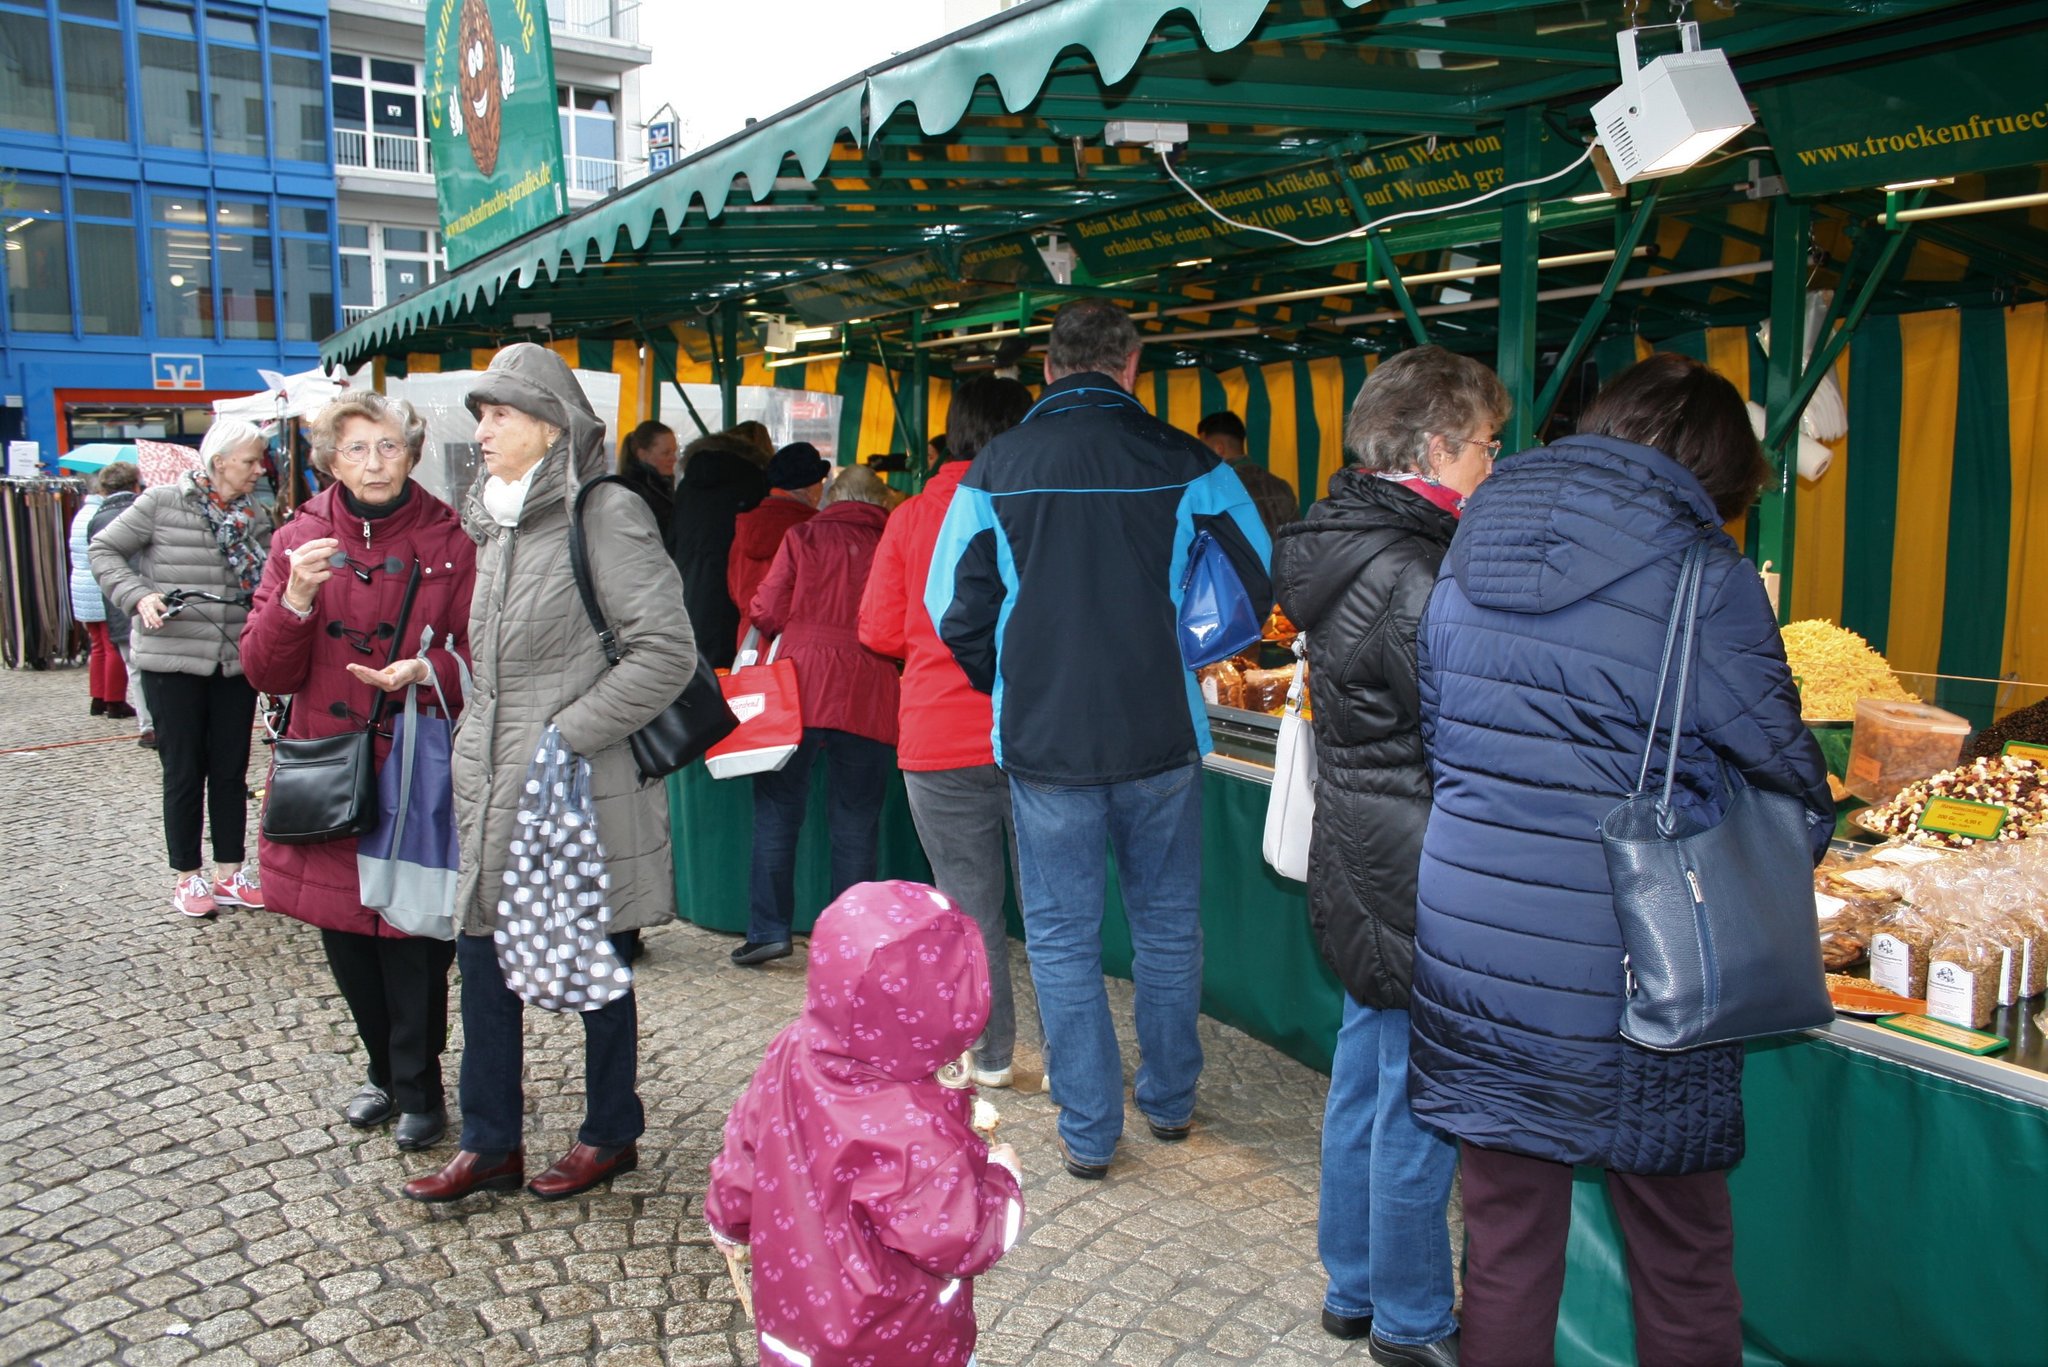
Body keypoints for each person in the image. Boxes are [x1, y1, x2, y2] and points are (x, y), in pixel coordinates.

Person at [1410, 353, 1833, 1366]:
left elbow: (1442, 740)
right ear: (1713, 472)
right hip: (1639, 962)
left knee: (1506, 1245)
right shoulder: (1702, 575)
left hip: (1476, 950)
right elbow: (1785, 785)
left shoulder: (1468, 547)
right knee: (1680, 1249)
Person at [926, 299, 1271, 1180]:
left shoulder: (994, 467)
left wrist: (1008, 677)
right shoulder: (1191, 460)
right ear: (1131, 365)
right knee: (1165, 925)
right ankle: (1169, 1099)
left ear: (1047, 368)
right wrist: (1184, 647)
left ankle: (1088, 1130)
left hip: (1044, 742)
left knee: (1061, 938)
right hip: (1162, 731)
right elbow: (1253, 577)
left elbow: (951, 609)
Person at [403, 343, 696, 1204]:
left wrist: (564, 735)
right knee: (484, 953)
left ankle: (611, 1131)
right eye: (480, 414)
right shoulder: (496, 521)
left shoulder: (604, 513)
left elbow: (666, 652)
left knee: (597, 963)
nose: (481, 430)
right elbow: (495, 662)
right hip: (494, 780)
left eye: (498, 414)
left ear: (550, 425)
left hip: (577, 786)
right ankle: (490, 1141)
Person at [1273, 346, 1509, 1367]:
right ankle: (1412, 1318)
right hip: (1425, 856)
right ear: (1437, 445)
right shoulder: (1418, 564)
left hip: (1364, 843)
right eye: (1488, 445)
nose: (1494, 465)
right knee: (1417, 1096)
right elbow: (1469, 725)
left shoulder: (1350, 541)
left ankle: (1353, 1283)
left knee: (1367, 1074)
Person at [239, 393, 476, 1153]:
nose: (374, 463)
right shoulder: (295, 539)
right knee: (345, 934)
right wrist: (299, 599)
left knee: (412, 937)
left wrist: (428, 668)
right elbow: (261, 667)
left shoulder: (452, 540)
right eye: (356, 449)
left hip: (414, 769)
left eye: (388, 447)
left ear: (411, 452)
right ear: (328, 460)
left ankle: (420, 1086)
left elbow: (487, 653)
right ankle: (382, 1067)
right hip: (328, 767)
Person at [706, 880, 1024, 1367]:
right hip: (901, 1342)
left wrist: (729, 1220)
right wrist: (1004, 1182)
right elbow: (957, 1239)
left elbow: (745, 1142)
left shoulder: (794, 1048)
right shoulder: (917, 1125)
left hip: (796, 1324)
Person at [858, 377, 1036, 1088]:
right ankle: (1068, 1060)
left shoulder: (910, 517)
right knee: (1051, 906)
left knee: (967, 906)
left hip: (937, 732)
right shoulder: (1032, 509)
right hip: (1032, 733)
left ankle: (989, 1056)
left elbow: (876, 628)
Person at [91, 420, 274, 919]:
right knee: (184, 771)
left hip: (234, 661)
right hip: (172, 659)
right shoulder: (159, 503)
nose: (260, 469)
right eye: (251, 461)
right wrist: (139, 596)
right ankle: (187, 877)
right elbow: (104, 550)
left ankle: (230, 873)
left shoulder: (254, 512)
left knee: (232, 770)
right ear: (219, 463)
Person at [731, 465, 899, 967]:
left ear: (832, 496)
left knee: (779, 812)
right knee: (855, 822)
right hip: (870, 690)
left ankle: (768, 931)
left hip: (797, 686)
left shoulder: (803, 534)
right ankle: (849, 944)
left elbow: (766, 610)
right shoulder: (891, 543)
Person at [670, 424, 772, 670]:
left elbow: (672, 540)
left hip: (685, 592)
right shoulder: (754, 482)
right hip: (730, 599)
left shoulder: (689, 484)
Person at [729, 442, 828, 654]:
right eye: (821, 482)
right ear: (810, 488)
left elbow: (733, 589)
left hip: (749, 642)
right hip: (795, 644)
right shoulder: (812, 530)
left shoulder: (747, 525)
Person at [84, 463, 154, 746]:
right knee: (156, 668)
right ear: (135, 484)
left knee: (134, 668)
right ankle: (160, 725)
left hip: (119, 601)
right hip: (150, 598)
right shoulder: (147, 511)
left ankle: (148, 726)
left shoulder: (96, 518)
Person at [68, 470, 133, 720]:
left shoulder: (83, 513)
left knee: (98, 644)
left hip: (82, 584)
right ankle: (114, 699)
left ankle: (99, 697)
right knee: (112, 644)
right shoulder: (103, 514)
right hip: (98, 585)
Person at [1200, 409, 1298, 540]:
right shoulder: (1281, 487)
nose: (1200, 457)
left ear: (1219, 448)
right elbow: (1297, 543)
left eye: (1203, 449)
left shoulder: (1212, 490)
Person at [616, 419, 678, 533]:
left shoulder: (662, 485)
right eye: (666, 453)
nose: (674, 459)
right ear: (643, 454)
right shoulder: (634, 491)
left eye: (674, 452)